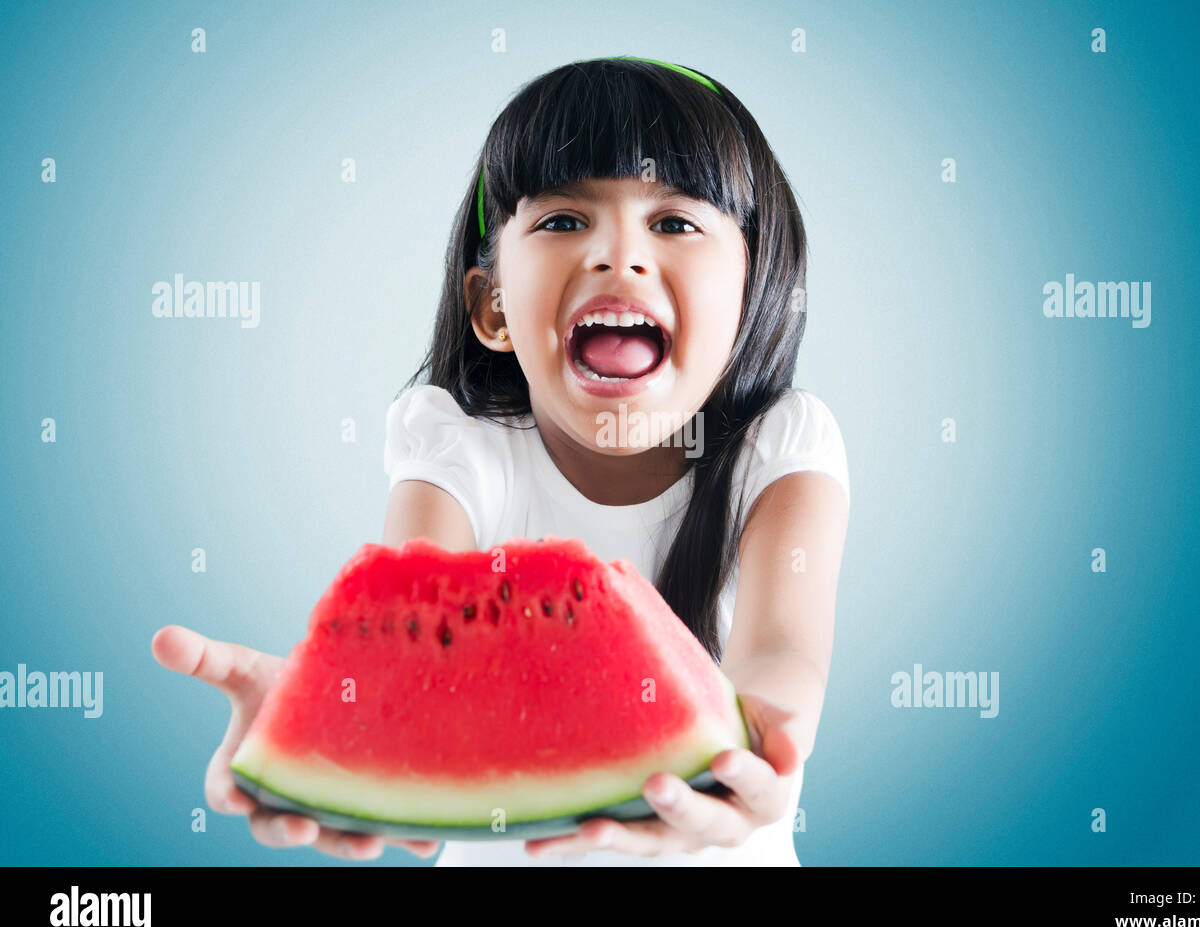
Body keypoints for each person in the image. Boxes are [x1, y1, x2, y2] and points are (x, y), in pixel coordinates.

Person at [153, 55, 850, 866]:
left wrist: (761, 737)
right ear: (493, 308)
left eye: (674, 223)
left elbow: (783, 654)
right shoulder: (457, 444)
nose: (616, 256)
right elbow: (413, 646)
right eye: (561, 221)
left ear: (750, 291)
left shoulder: (782, 447)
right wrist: (335, 719)